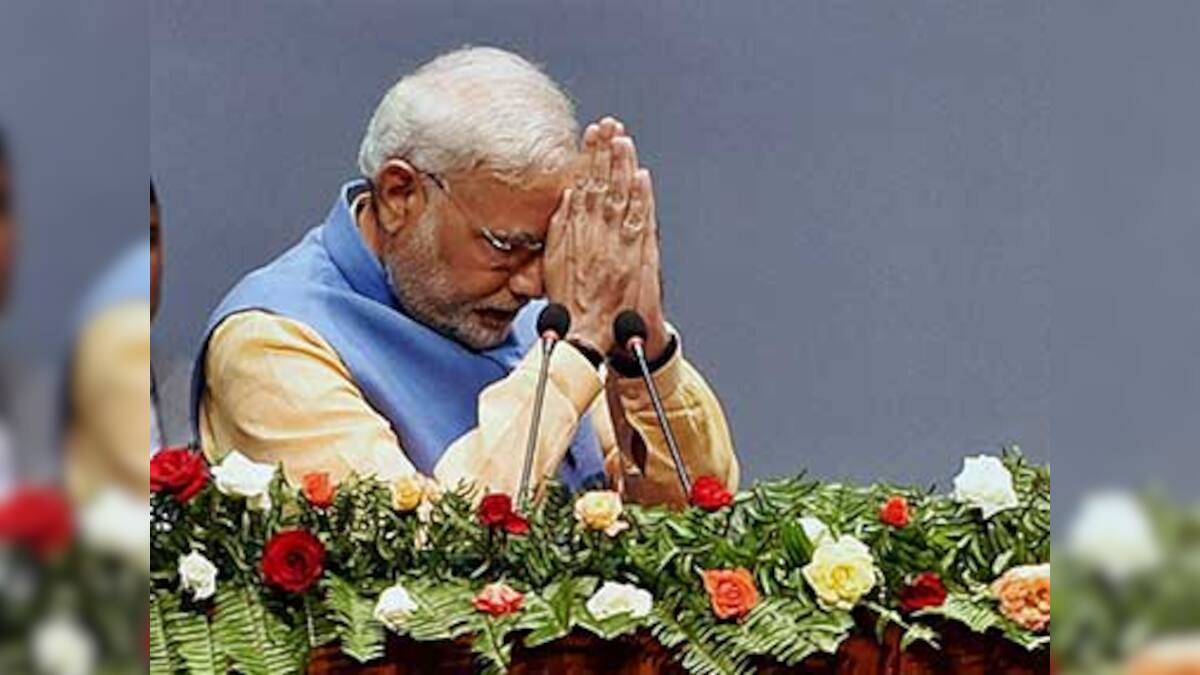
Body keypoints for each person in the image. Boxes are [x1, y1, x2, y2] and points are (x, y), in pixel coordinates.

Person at [194, 47, 737, 505]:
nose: (531, 284)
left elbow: (694, 517)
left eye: (547, 248)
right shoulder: (269, 343)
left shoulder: (536, 315)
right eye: (507, 246)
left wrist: (641, 346)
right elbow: (412, 567)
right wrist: (571, 353)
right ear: (399, 195)